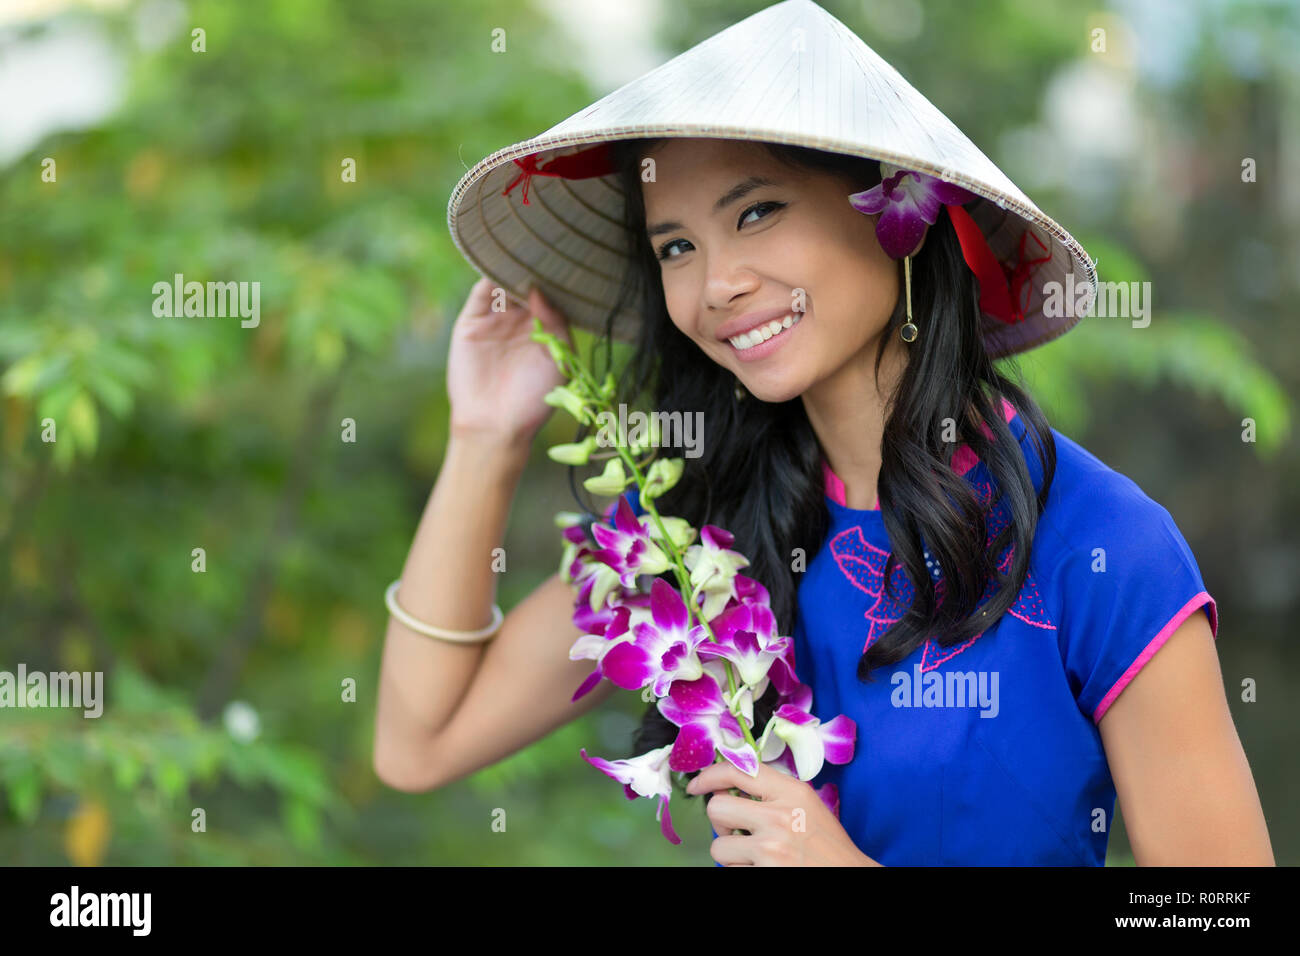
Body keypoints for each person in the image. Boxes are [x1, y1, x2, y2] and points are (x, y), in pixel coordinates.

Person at [374, 0, 1274, 866]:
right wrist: (486, 437)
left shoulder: (1099, 545)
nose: (716, 284)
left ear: (899, 217)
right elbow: (420, 744)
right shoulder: (693, 539)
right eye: (676, 247)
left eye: (757, 212)